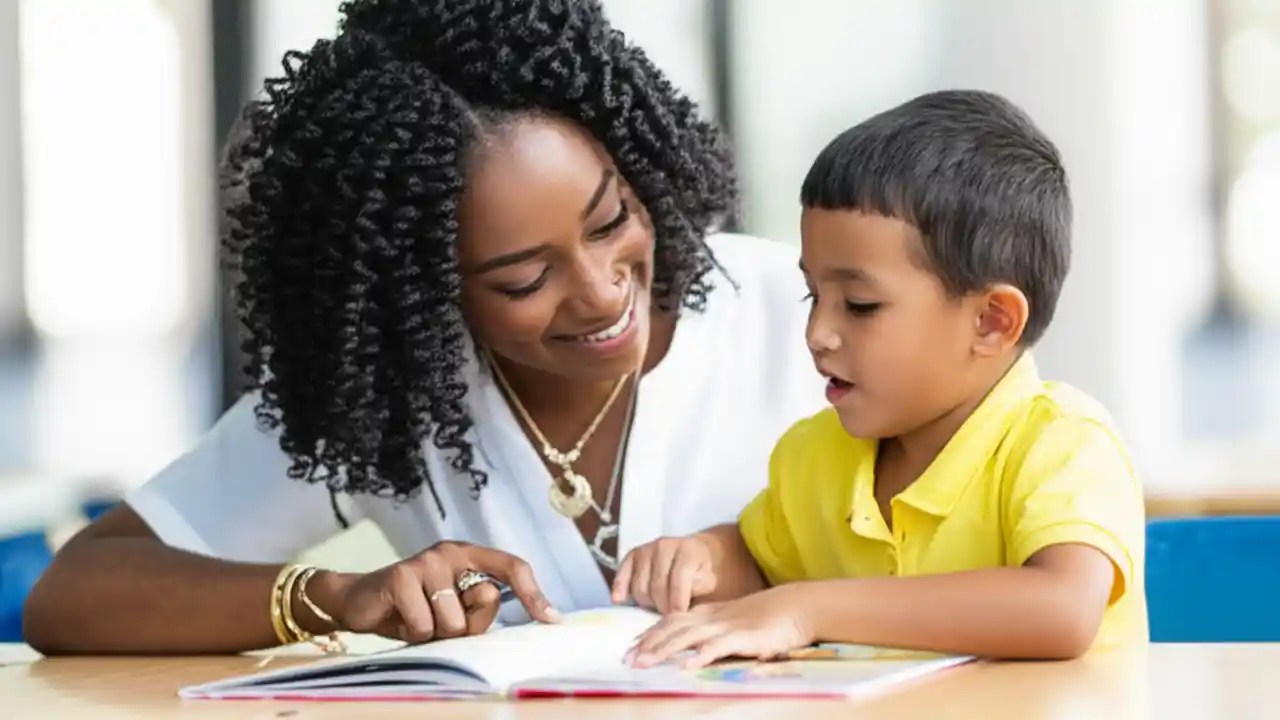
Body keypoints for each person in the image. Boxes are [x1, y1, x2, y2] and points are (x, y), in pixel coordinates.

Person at [21, 0, 822, 655]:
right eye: (524, 279)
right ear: (421, 291)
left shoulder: (800, 312)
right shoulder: (390, 397)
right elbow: (74, 594)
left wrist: (762, 558)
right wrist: (338, 598)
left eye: (611, 220)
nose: (601, 292)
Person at [617, 90, 1147, 667]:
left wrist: (808, 609)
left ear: (992, 323)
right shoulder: (816, 456)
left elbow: (1060, 610)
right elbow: (759, 564)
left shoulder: (1063, 442)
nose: (818, 332)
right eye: (812, 295)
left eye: (861, 304)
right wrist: (703, 558)